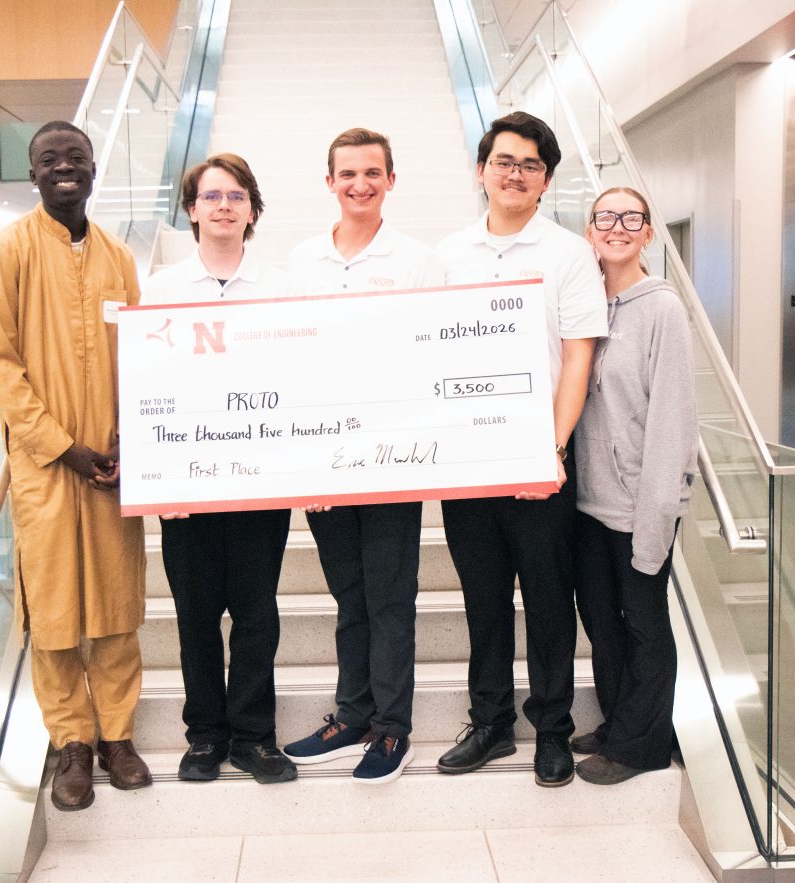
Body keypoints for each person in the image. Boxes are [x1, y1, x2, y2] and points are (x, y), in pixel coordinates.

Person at [0, 120, 152, 811]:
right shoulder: (6, 250)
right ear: (33, 175)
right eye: (49, 160)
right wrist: (61, 446)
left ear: (92, 169)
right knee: (52, 613)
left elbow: (141, 357)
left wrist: (129, 440)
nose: (64, 168)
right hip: (47, 469)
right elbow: (2, 365)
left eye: (74, 157)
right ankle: (72, 742)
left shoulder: (117, 257)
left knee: (115, 604)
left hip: (112, 465)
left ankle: (118, 736)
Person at [433, 112, 607, 787]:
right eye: (503, 160)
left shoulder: (567, 254)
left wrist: (551, 449)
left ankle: (553, 730)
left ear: (547, 180)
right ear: (481, 171)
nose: (514, 172)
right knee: (482, 599)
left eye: (530, 164)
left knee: (546, 600)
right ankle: (490, 722)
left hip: (541, 462)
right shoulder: (446, 256)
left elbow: (577, 357)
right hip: (468, 464)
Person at [282, 128, 444, 783]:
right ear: (328, 182)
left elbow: (430, 353)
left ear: (391, 180)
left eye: (372, 173)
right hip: (326, 460)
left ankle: (391, 729)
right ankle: (352, 715)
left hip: (392, 457)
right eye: (347, 174)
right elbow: (291, 360)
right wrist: (305, 462)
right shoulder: (302, 261)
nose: (360, 184)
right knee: (349, 595)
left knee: (390, 599)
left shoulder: (416, 259)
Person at [144, 153, 296, 785]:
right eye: (212, 196)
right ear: (192, 209)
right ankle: (205, 735)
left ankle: (255, 737)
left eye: (237, 196)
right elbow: (148, 385)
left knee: (258, 616)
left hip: (261, 482)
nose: (225, 205)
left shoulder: (282, 287)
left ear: (252, 209)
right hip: (188, 486)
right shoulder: (161, 290)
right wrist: (158, 479)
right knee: (196, 617)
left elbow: (298, 385)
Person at [570, 187, 698, 785]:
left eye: (631, 218)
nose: (616, 227)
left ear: (648, 233)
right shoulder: (585, 302)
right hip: (587, 502)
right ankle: (620, 720)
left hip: (638, 501)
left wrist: (657, 519)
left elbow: (673, 422)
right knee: (601, 620)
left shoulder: (663, 310)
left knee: (644, 623)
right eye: (605, 217)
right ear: (589, 229)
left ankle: (642, 744)